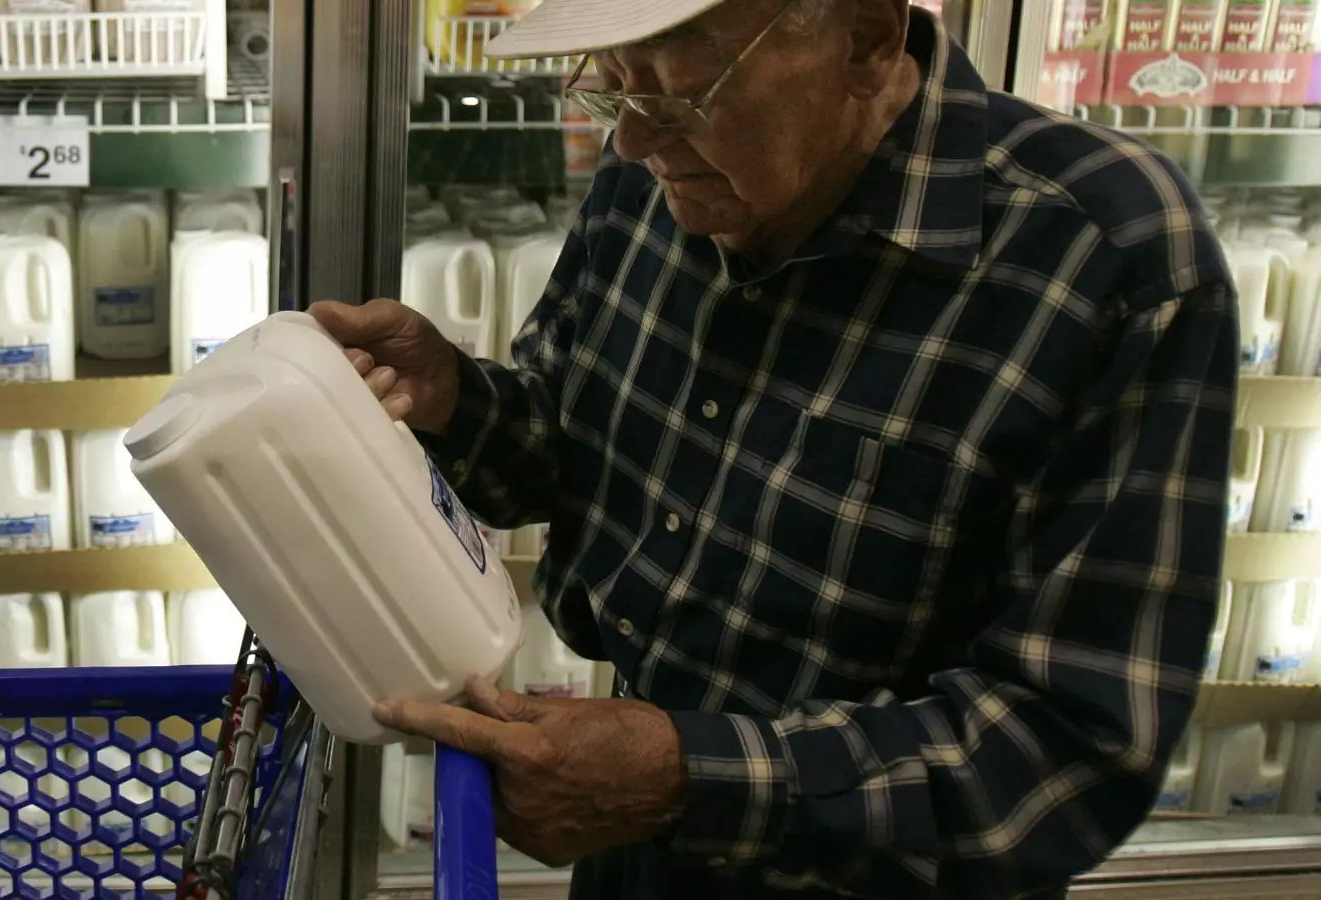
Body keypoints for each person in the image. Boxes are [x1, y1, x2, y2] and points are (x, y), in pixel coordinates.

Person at [312, 0, 1236, 896]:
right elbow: (575, 446)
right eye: (616, 88)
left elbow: (1068, 753)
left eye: (679, 94)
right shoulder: (660, 167)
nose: (633, 141)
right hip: (634, 844)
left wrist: (684, 778)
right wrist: (455, 400)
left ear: (866, 39)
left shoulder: (1107, 253)